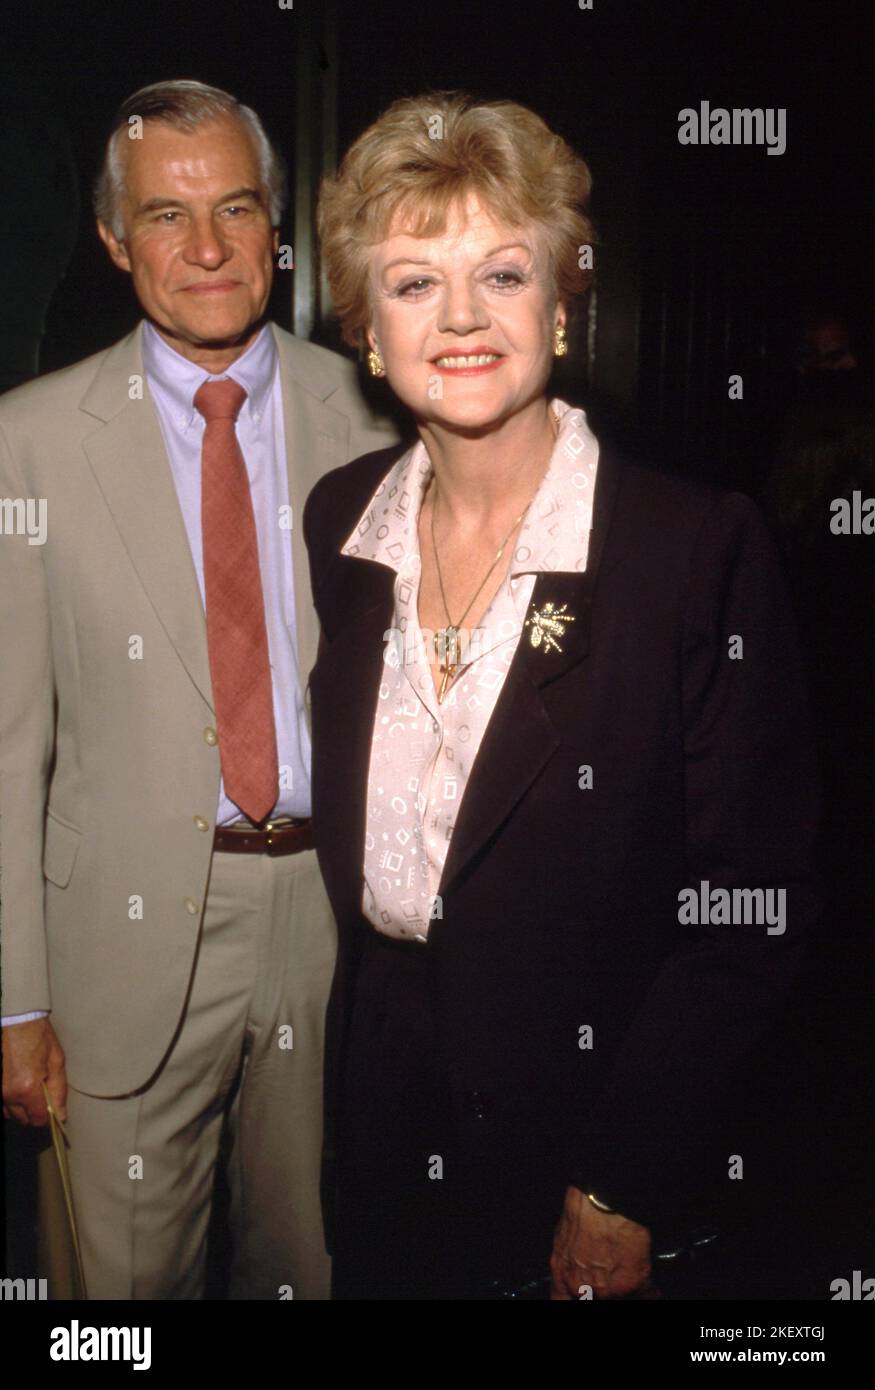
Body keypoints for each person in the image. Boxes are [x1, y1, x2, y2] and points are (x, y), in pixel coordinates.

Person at [304, 92, 821, 1300]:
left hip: (583, 1139)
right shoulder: (343, 524)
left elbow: (748, 909)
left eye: (501, 272)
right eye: (414, 282)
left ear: (560, 303)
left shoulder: (691, 550)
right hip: (380, 1122)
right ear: (365, 327)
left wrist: (618, 1177)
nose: (463, 318)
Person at [0, 79, 398, 1300]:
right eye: (167, 218)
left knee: (317, 1263)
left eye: (235, 208)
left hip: (338, 928)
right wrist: (14, 1000)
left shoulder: (380, 417)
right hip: (112, 945)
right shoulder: (31, 442)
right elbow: (7, 746)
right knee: (113, 1301)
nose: (210, 248)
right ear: (116, 239)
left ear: (277, 224)